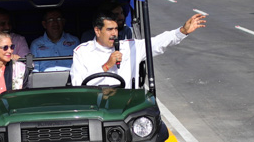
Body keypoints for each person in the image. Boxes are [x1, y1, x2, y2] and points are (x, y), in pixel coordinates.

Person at [71, 12, 206, 87]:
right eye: (109, 30)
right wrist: (106, 66)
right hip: (94, 104)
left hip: (125, 103)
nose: (114, 34)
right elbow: (77, 83)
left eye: (116, 29)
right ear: (97, 31)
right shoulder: (82, 51)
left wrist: (182, 31)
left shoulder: (129, 46)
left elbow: (157, 42)